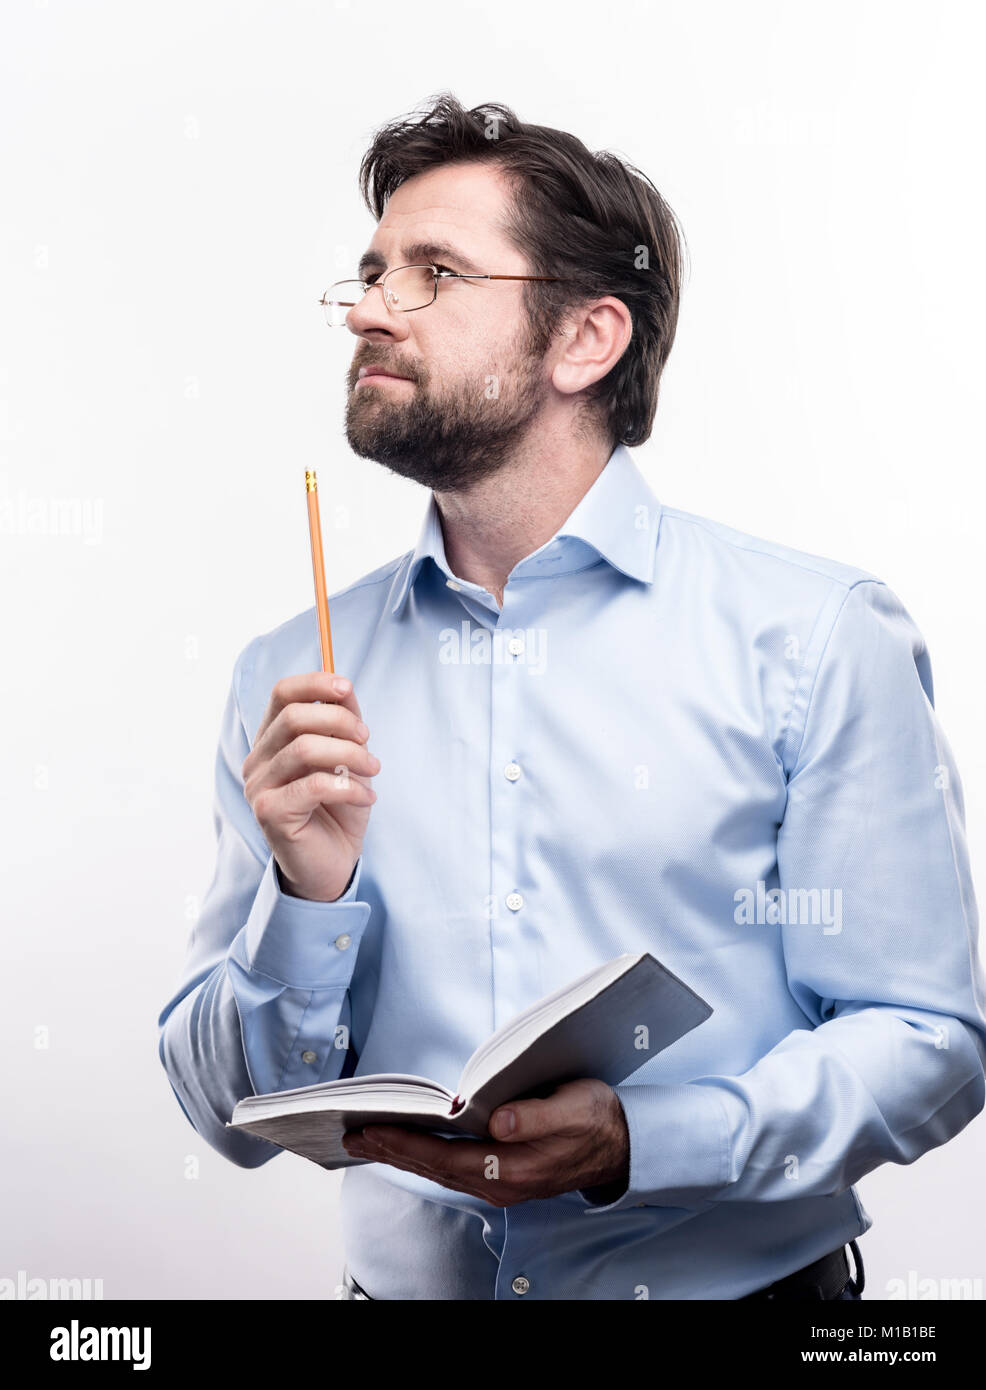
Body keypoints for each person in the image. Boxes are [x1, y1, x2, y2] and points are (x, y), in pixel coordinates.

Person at [158, 94, 986, 1301]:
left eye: (433, 272)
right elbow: (222, 1112)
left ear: (585, 339)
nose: (370, 308)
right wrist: (303, 893)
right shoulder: (291, 677)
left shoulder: (812, 637)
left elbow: (929, 1042)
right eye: (371, 271)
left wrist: (646, 1140)